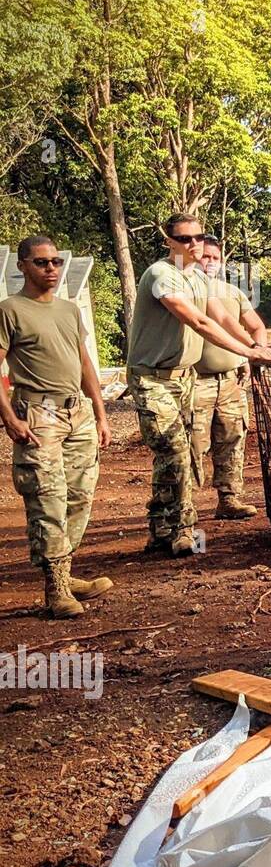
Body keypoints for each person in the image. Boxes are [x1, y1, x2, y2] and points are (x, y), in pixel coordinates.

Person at [126, 213, 271, 555]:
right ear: (169, 241)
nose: (193, 244)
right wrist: (246, 351)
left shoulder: (196, 277)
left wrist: (254, 347)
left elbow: (222, 316)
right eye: (184, 239)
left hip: (185, 378)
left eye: (198, 237)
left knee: (172, 456)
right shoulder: (162, 275)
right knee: (179, 452)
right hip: (153, 378)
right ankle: (183, 530)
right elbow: (198, 321)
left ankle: (160, 529)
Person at [0, 237, 114, 617]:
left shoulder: (68, 310)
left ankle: (67, 571)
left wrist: (99, 411)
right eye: (41, 263)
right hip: (38, 414)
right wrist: (9, 417)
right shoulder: (10, 310)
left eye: (55, 262)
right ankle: (56, 587)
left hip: (76, 412)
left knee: (80, 494)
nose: (51, 269)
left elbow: (84, 363)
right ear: (23, 266)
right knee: (47, 497)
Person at [189, 234, 268, 519]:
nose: (209, 262)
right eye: (204, 256)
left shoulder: (232, 292)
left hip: (231, 381)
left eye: (215, 257)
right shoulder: (185, 291)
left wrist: (256, 350)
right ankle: (184, 508)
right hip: (196, 381)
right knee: (192, 446)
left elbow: (256, 327)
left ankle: (229, 499)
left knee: (233, 440)